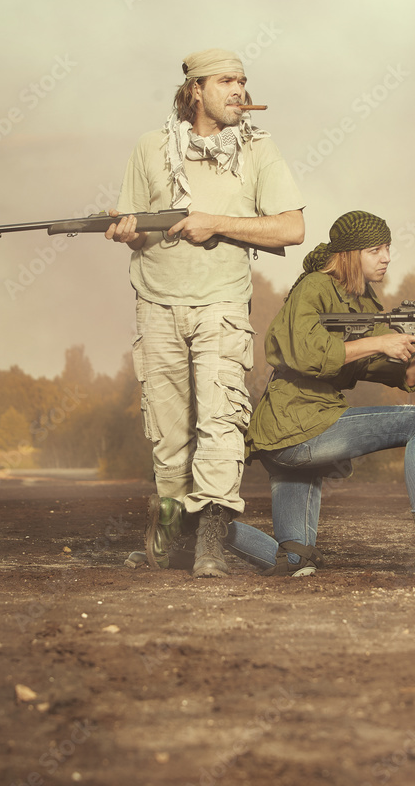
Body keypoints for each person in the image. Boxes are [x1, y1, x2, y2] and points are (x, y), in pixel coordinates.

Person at [106, 48, 304, 578]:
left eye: (243, 81)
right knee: (169, 434)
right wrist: (128, 230)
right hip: (157, 306)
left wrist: (215, 221)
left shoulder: (259, 149)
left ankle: (211, 546)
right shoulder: (151, 147)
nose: (240, 90)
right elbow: (140, 229)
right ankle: (171, 535)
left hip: (221, 306)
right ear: (196, 90)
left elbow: (291, 228)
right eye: (226, 81)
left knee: (221, 424)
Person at [228, 209, 415, 578]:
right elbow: (303, 353)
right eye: (375, 250)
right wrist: (379, 341)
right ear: (350, 254)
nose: (386, 257)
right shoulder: (314, 287)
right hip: (299, 422)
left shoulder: (363, 301)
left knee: (293, 561)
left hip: (295, 435)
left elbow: (397, 373)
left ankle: (187, 529)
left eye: (388, 248)